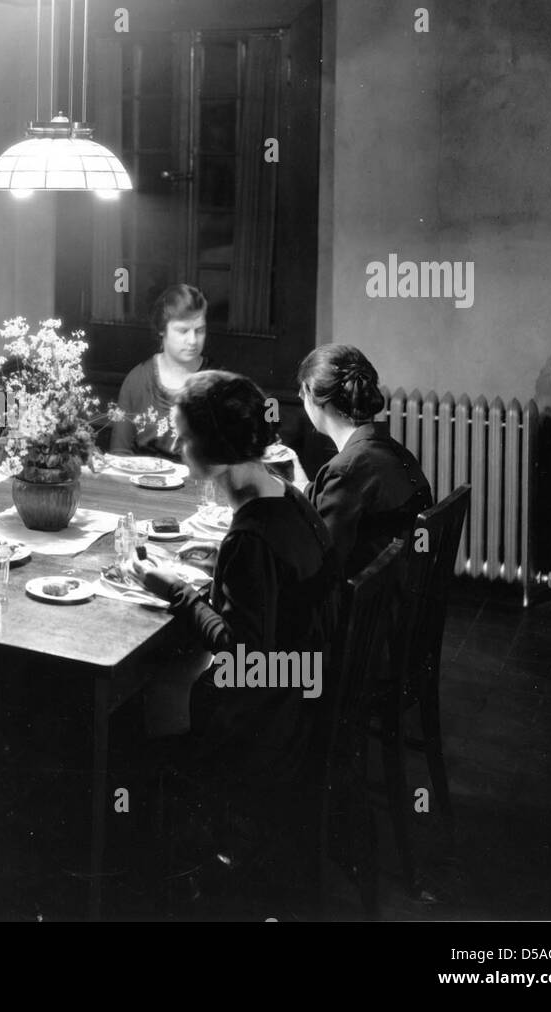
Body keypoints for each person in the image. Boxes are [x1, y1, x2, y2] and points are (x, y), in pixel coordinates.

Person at [130, 371, 338, 822]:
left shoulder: (249, 539)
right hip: (305, 686)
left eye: (185, 439)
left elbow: (241, 655)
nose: (178, 449)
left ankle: (164, 829)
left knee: (140, 687)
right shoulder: (288, 496)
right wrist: (218, 566)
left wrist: (177, 590)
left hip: (267, 716)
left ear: (216, 451)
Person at [297, 344, 433, 578]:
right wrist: (297, 485)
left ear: (319, 400)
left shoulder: (347, 469)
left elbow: (319, 562)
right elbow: (343, 504)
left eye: (303, 392)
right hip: (395, 597)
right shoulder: (390, 449)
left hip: (360, 607)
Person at [110, 284, 217, 458]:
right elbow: (119, 453)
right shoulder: (137, 381)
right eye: (183, 331)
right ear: (162, 329)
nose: (192, 340)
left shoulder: (220, 384)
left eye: (200, 331)